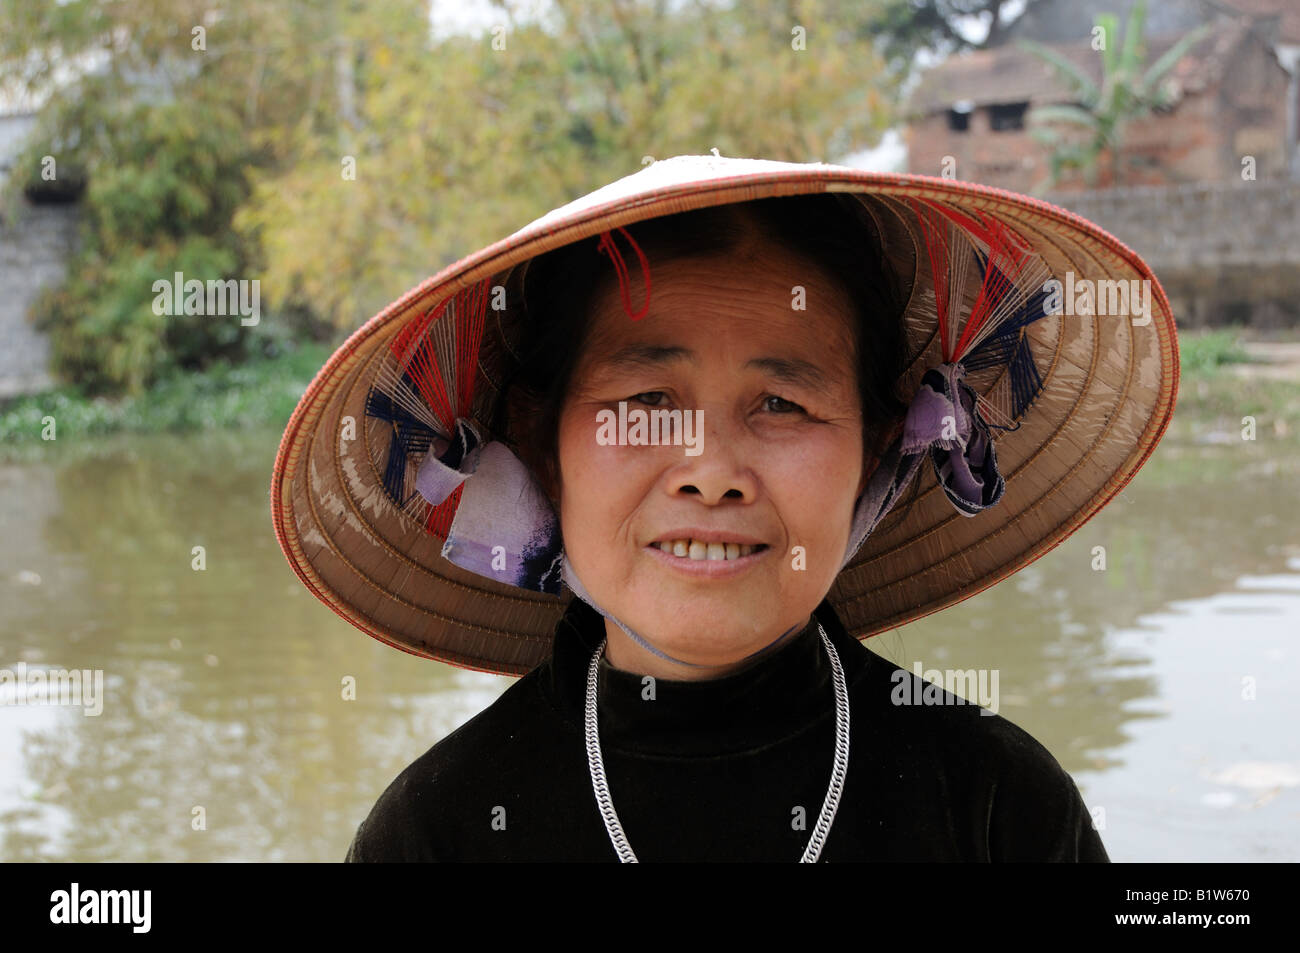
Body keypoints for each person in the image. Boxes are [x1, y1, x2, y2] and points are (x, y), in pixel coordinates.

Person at [270, 155, 1179, 861]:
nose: (712, 471)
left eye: (782, 404)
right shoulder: (442, 831)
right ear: (541, 443)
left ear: (879, 446)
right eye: (646, 403)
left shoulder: (993, 804)